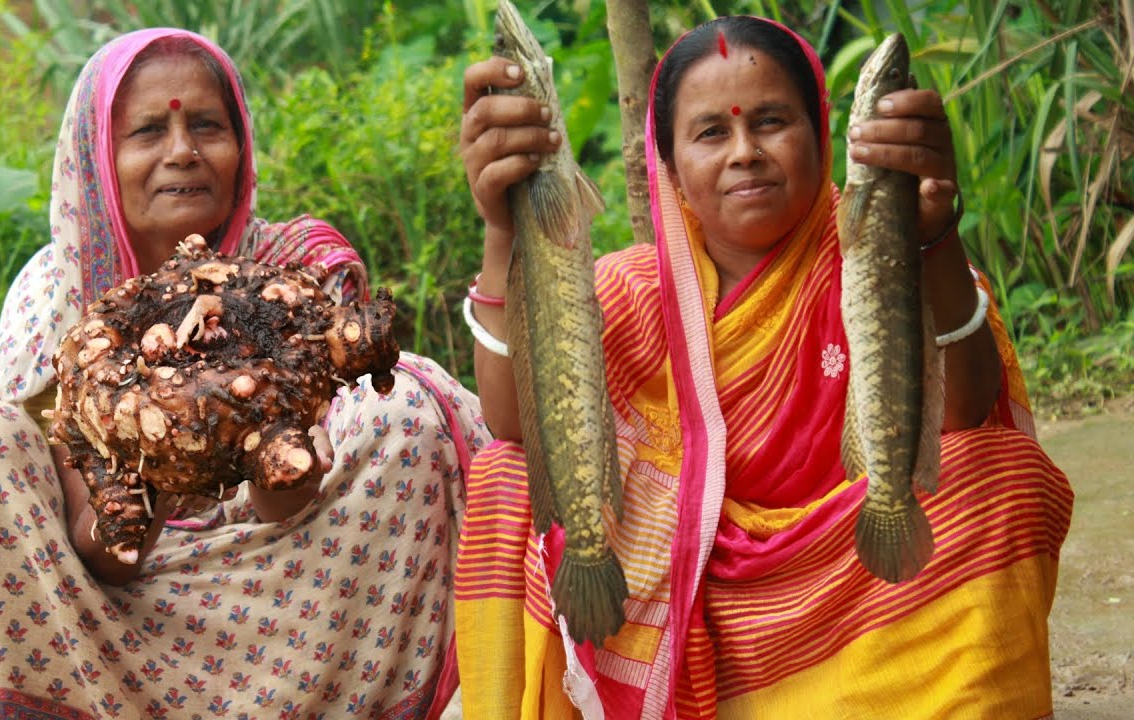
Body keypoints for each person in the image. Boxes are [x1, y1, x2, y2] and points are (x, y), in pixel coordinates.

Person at [455, 15, 1072, 718]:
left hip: (855, 588)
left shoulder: (880, 254)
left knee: (999, 477)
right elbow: (512, 424)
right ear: (671, 168)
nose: (745, 152)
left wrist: (930, 237)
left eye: (772, 121)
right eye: (712, 132)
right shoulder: (623, 292)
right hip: (681, 601)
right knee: (507, 480)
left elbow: (961, 413)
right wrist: (504, 229)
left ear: (824, 134)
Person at [0, 28, 487, 719]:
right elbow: (106, 556)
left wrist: (274, 450)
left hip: (301, 605)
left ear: (241, 148)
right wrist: (154, 445)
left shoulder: (298, 274)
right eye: (145, 132)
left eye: (205, 125)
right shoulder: (60, 304)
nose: (182, 151)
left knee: (408, 403)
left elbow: (292, 496)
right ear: (99, 159)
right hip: (108, 634)